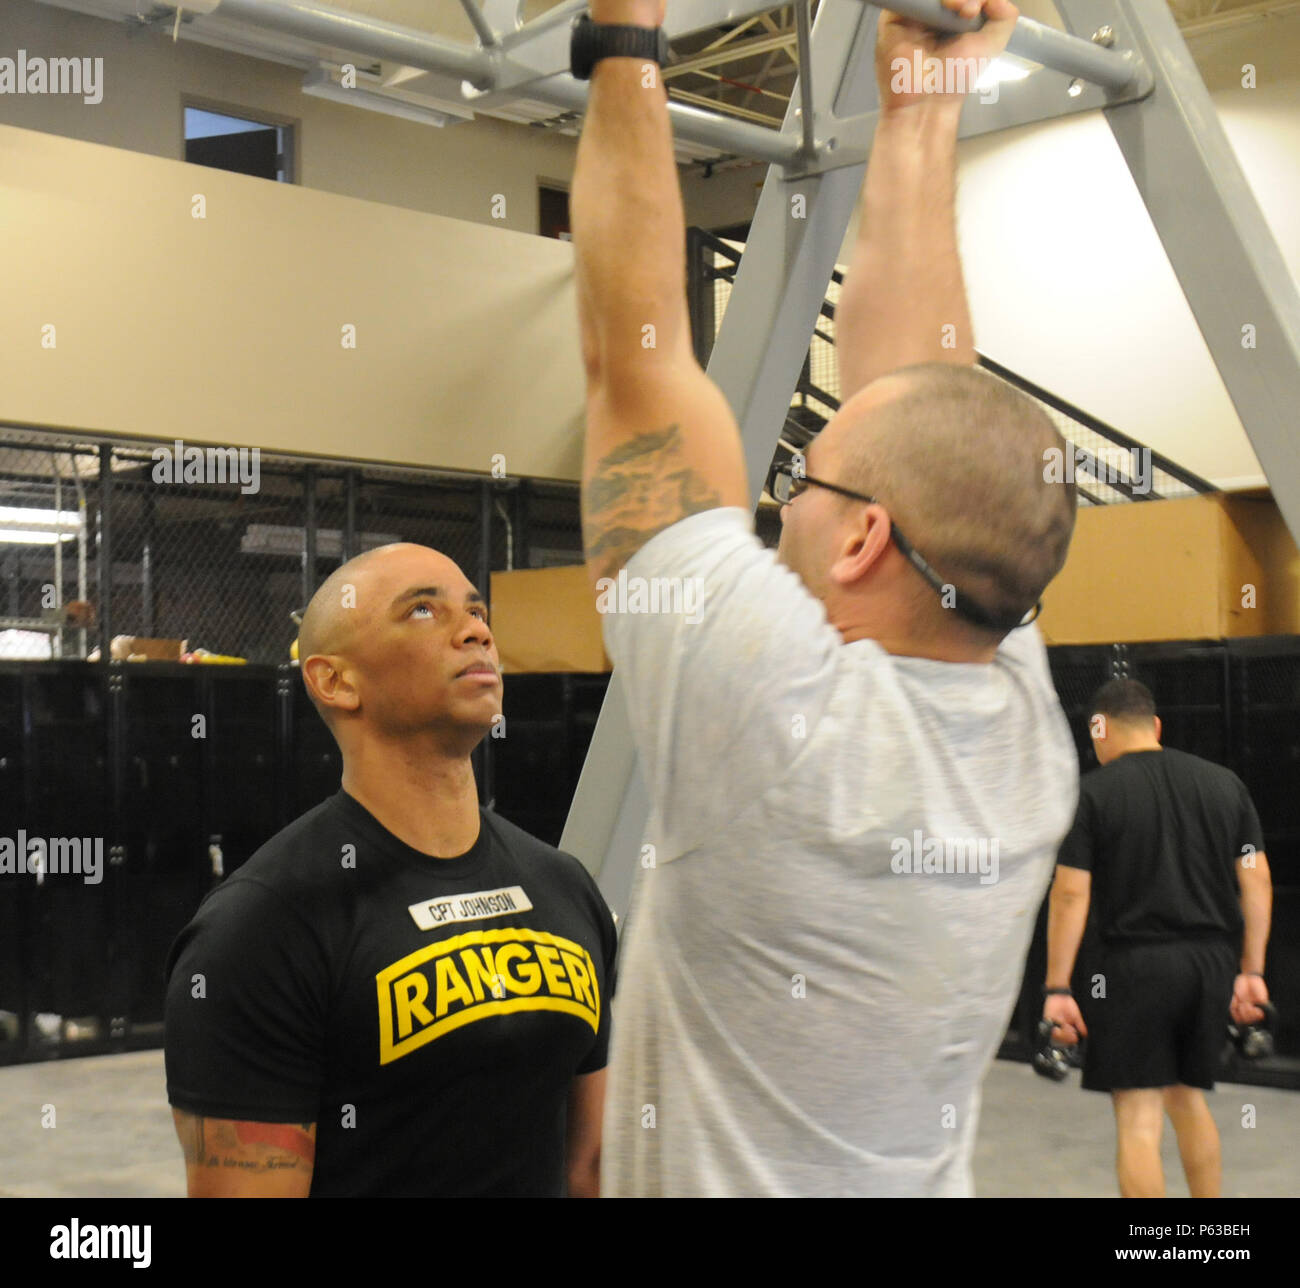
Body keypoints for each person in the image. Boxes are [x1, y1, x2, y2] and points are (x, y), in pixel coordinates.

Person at [569, 0, 1081, 1195]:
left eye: (805, 473)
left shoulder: (774, 721)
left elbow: (633, 355)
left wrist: (623, 37)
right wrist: (921, 106)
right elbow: (927, 397)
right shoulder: (1013, 715)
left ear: (862, 540)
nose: (780, 491)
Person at [163, 543, 617, 1197]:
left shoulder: (564, 885)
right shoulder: (260, 927)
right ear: (335, 681)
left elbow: (595, 1163)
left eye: (477, 611)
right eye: (423, 610)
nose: (477, 630)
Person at [1043, 678, 1273, 1198]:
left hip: (1131, 969)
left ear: (1098, 731)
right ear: (1157, 726)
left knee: (1138, 1115)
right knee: (1187, 1098)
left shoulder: (1092, 794)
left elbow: (1070, 895)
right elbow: (1256, 878)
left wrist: (1057, 986)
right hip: (1209, 966)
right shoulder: (1224, 783)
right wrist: (1252, 972)